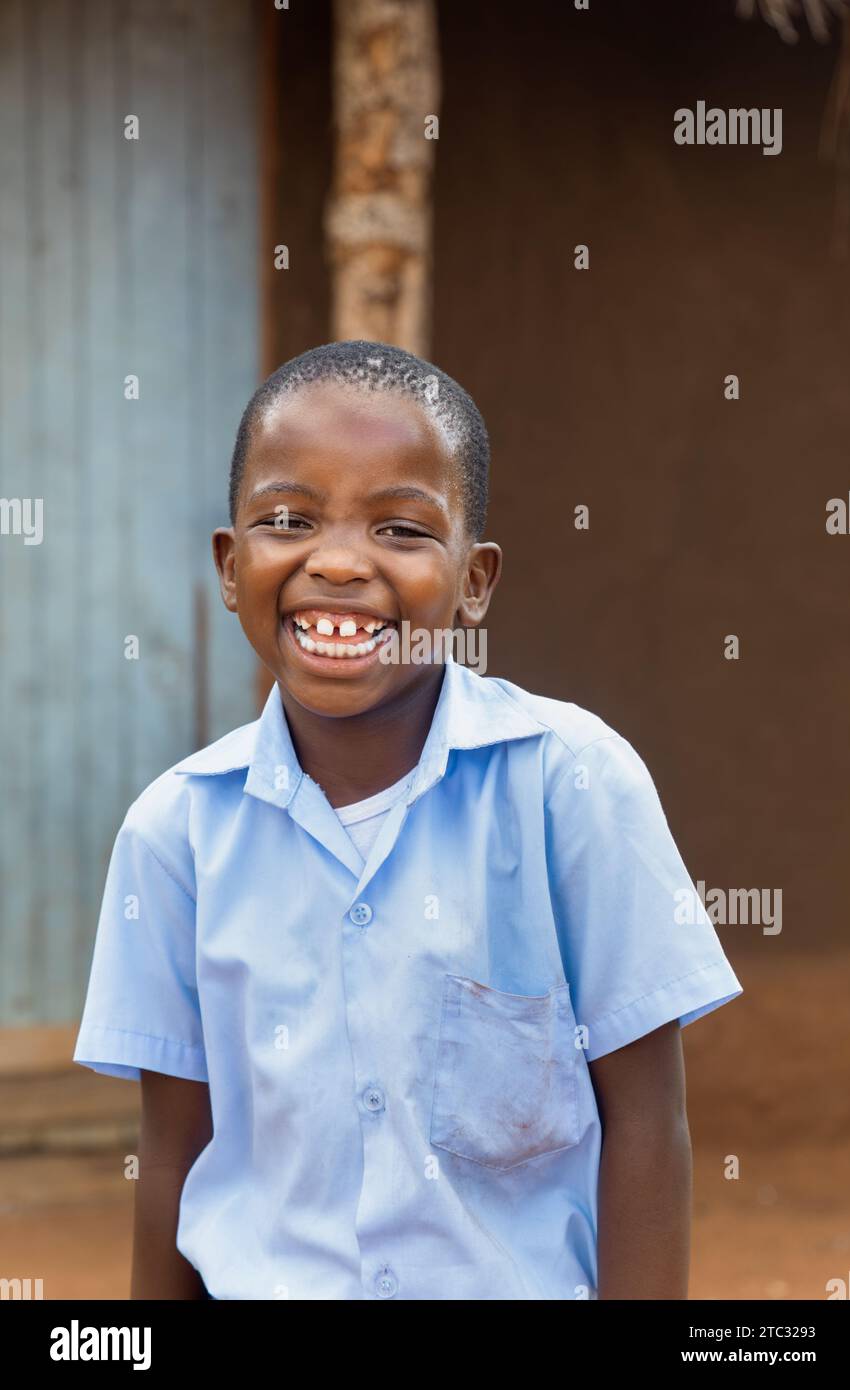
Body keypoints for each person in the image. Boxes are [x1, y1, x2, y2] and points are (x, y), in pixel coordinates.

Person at [73, 340, 743, 1300]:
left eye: (401, 530)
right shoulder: (173, 837)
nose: (339, 563)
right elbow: (173, 1157)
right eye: (289, 518)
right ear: (231, 565)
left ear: (475, 582)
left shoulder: (573, 787)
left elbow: (646, 1126)